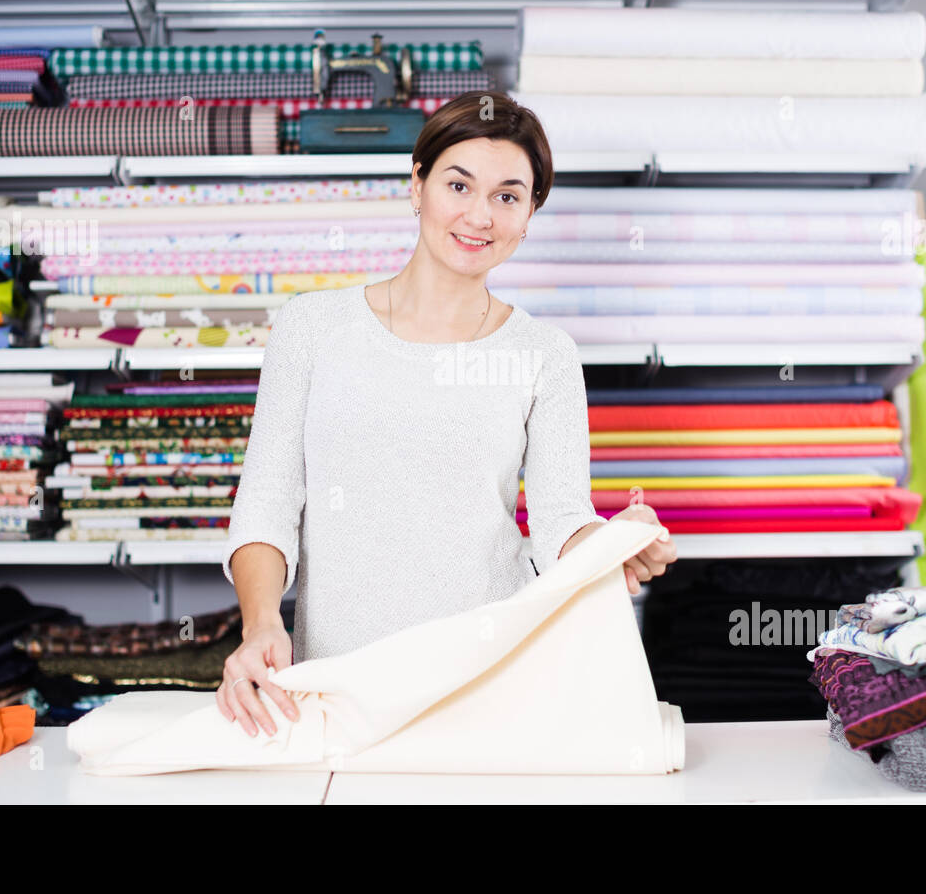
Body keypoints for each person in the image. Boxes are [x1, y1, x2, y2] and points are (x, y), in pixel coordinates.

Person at [216, 91, 678, 738]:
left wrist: (613, 542)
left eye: (508, 196)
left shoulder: (545, 355)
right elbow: (266, 504)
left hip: (491, 683)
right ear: (417, 184)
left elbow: (558, 523)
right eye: (459, 184)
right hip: (339, 689)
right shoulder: (313, 330)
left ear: (529, 214)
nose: (479, 215)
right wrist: (262, 622)